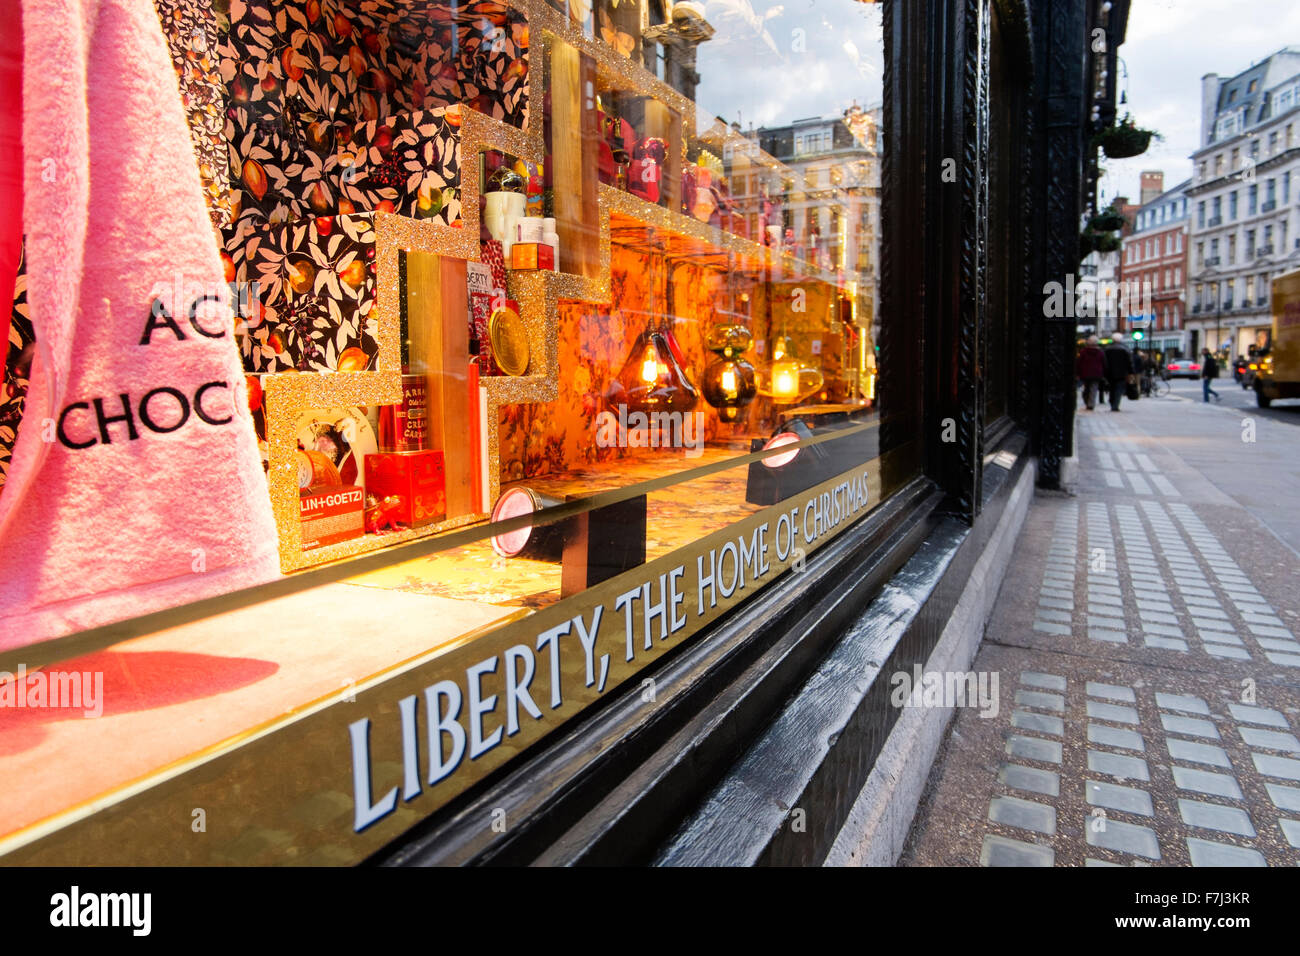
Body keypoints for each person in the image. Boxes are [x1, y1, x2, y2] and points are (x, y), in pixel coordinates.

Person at [1103, 334, 1134, 411]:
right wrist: (1131, 372)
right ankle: (1115, 405)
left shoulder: (1107, 349)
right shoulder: (1125, 349)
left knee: (1112, 388)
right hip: (1122, 372)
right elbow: (1129, 362)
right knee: (1119, 389)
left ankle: (1112, 401)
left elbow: (1104, 362)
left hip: (1109, 372)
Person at [1075, 335, 1105, 410]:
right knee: (1093, 389)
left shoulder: (1083, 352)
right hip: (1097, 373)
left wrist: (1078, 372)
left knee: (1086, 388)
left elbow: (1079, 363)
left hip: (1085, 373)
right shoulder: (1100, 352)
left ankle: (1087, 401)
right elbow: (1104, 363)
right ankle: (1091, 403)